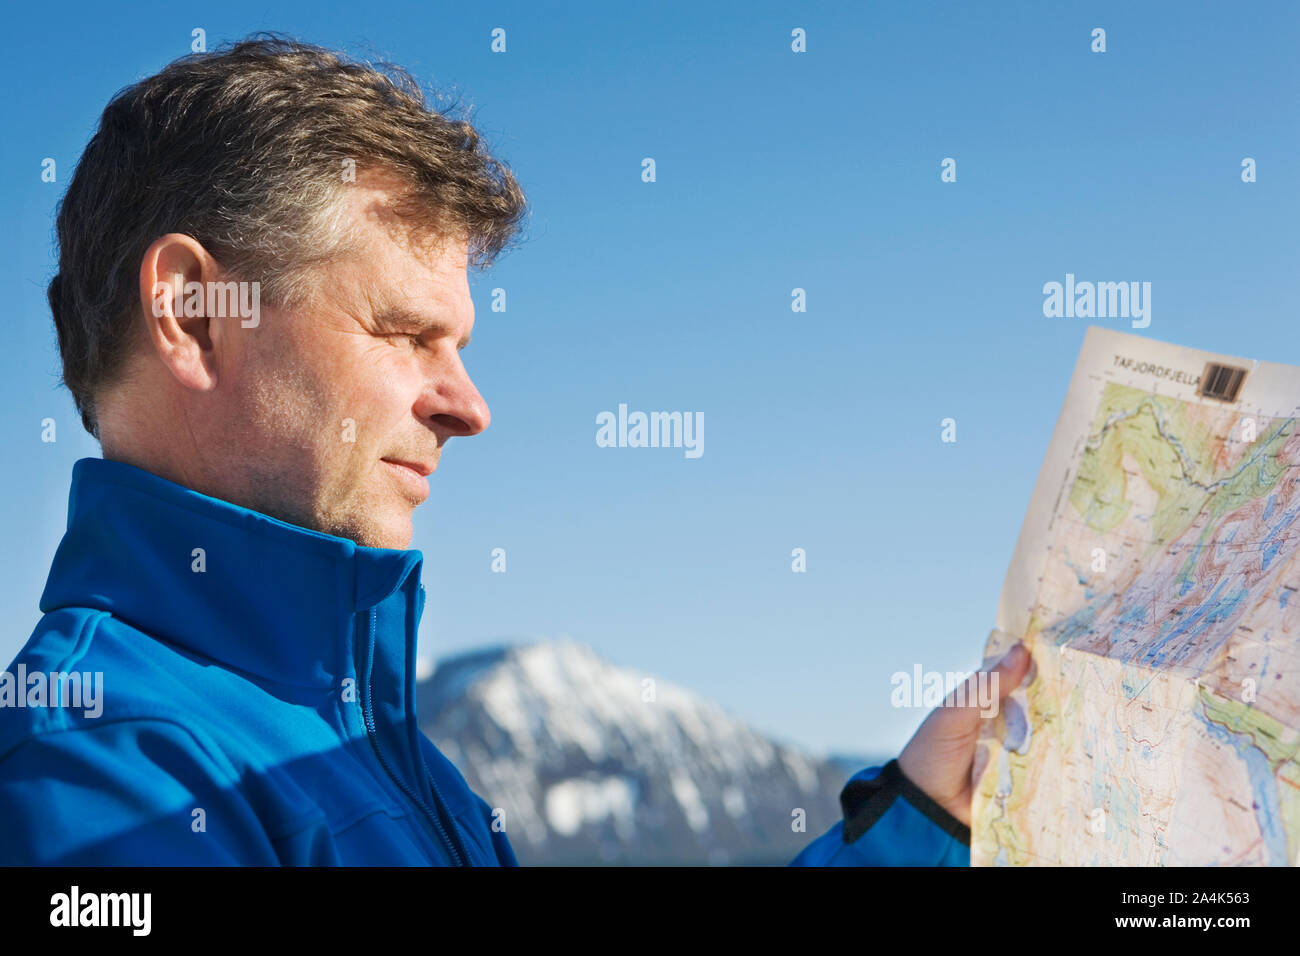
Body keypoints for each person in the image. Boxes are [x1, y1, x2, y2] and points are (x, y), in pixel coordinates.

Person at [0, 34, 1031, 866]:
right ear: (195, 314)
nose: (469, 405)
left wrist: (917, 817)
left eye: (460, 344)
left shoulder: (364, 733)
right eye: (405, 333)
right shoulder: (101, 770)